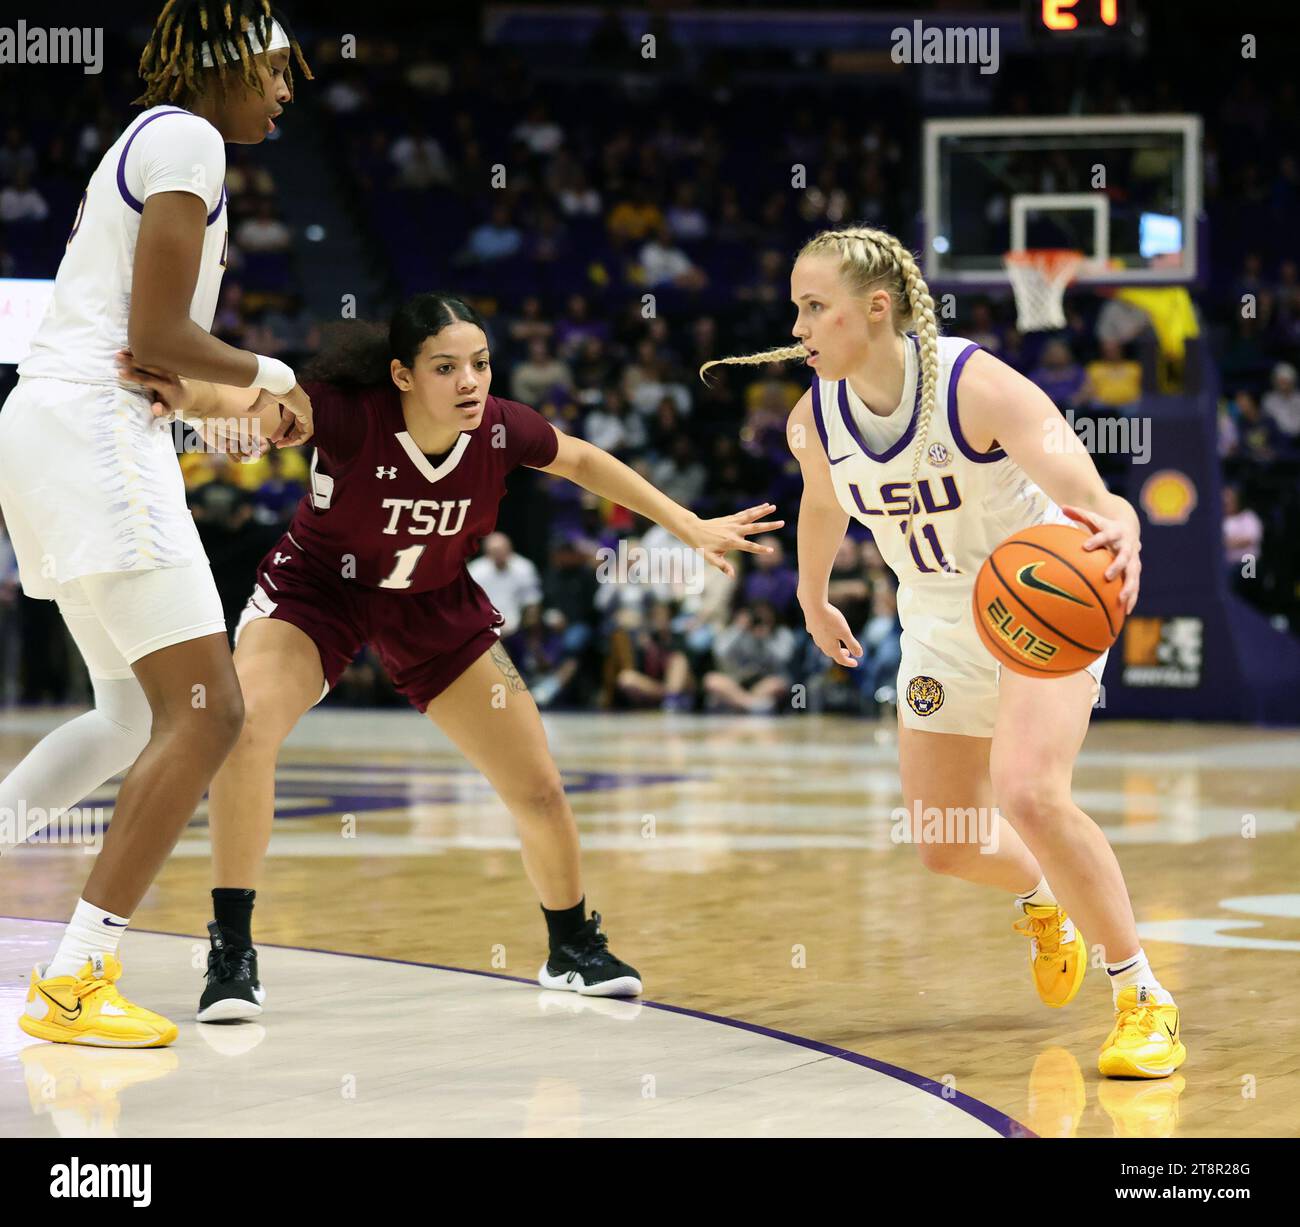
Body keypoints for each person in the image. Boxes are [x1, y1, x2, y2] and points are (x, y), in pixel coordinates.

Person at [119, 292, 782, 1018]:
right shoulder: (351, 414)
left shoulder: (500, 428)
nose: (469, 381)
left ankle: (571, 948)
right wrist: (190, 395)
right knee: (245, 729)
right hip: (320, 592)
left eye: (480, 363)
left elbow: (582, 458)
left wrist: (686, 524)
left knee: (538, 785)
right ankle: (233, 950)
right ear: (402, 375)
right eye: (445, 367)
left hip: (433, 601)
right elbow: (260, 399)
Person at [702, 224, 1185, 1080]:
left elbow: (1090, 489)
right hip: (935, 617)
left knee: (1029, 792)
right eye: (795, 309)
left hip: (1042, 600)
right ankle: (1043, 897)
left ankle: (1143, 995)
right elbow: (823, 504)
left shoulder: (975, 385)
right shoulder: (816, 418)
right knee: (944, 839)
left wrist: (1124, 529)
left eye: (814, 307)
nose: (799, 327)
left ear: (874, 308)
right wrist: (812, 595)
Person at [0, 1, 314, 1048]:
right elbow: (157, 334)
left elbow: (155, 356)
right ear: (226, 65)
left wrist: (239, 398)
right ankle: (75, 979)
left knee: (128, 718)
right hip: (95, 434)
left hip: (52, 427)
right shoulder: (187, 138)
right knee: (210, 712)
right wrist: (276, 374)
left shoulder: (152, 141)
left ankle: (71, 968)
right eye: (275, 69)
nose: (286, 89)